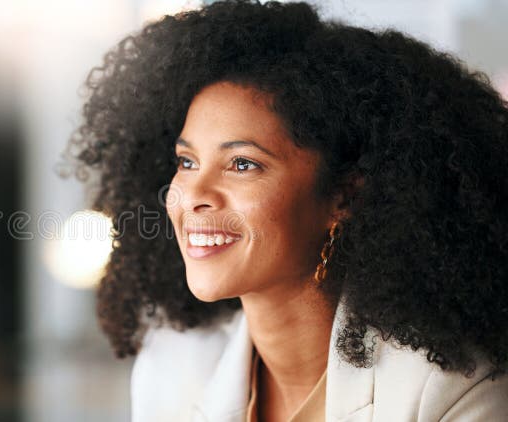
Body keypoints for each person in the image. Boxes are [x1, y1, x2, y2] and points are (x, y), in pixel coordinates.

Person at [61, 0, 508, 420]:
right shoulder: (173, 365)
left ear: (344, 198)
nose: (193, 193)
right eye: (186, 161)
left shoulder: (448, 391)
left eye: (242, 164)